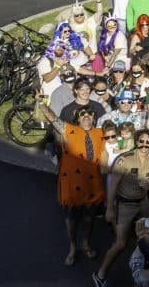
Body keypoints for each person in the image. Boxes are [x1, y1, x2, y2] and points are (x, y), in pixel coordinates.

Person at [33, 96, 106, 266]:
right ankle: (73, 246)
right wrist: (42, 104)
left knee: (89, 219)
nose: (86, 116)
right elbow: (52, 118)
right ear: (77, 119)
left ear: (94, 118)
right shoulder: (68, 130)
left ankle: (85, 242)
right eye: (82, 115)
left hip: (93, 183)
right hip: (71, 184)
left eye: (89, 114)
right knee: (71, 221)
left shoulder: (100, 133)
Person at [94, 128, 149, 287]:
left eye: (148, 142)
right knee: (120, 243)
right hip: (125, 204)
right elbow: (113, 185)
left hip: (143, 202)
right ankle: (100, 274)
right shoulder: (124, 160)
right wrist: (109, 208)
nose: (144, 144)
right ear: (136, 142)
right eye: (141, 141)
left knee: (148, 239)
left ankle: (146, 275)